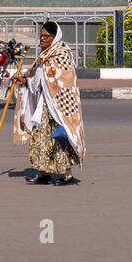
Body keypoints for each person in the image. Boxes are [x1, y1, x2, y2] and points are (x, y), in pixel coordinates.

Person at [13, 21, 85, 186]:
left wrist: (45, 70)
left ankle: (66, 175)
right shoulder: (44, 54)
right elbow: (37, 79)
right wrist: (24, 80)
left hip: (59, 104)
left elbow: (65, 78)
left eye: (46, 36)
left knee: (60, 138)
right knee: (40, 137)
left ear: (54, 37)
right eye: (41, 35)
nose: (42, 38)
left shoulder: (61, 53)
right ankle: (43, 172)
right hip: (43, 103)